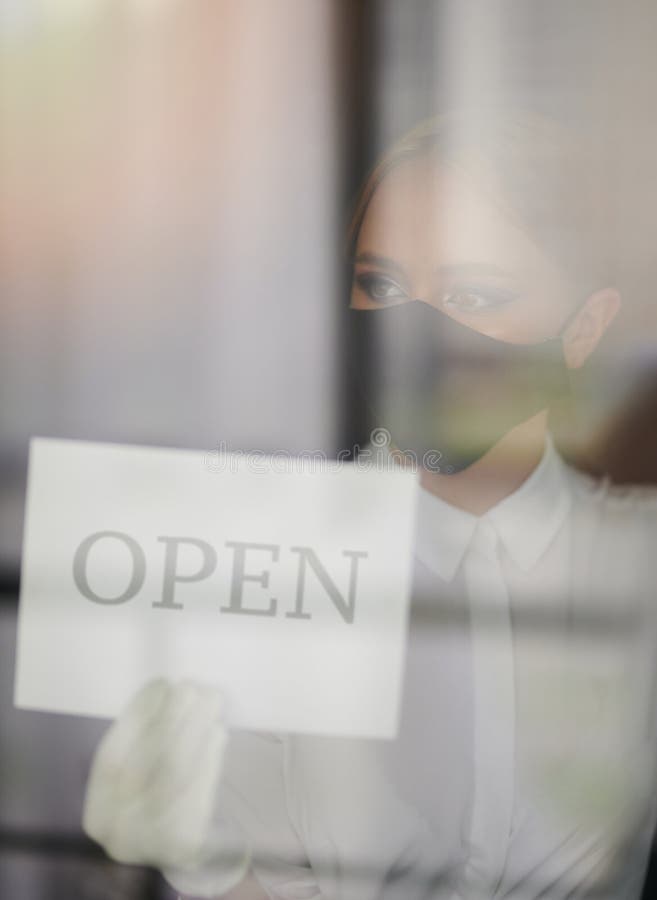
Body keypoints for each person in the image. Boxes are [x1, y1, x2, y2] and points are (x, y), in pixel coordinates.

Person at [83, 111, 657, 899]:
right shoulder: (269, 562)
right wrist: (206, 858)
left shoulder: (637, 567)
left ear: (584, 327)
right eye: (380, 285)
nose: (414, 334)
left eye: (474, 291)